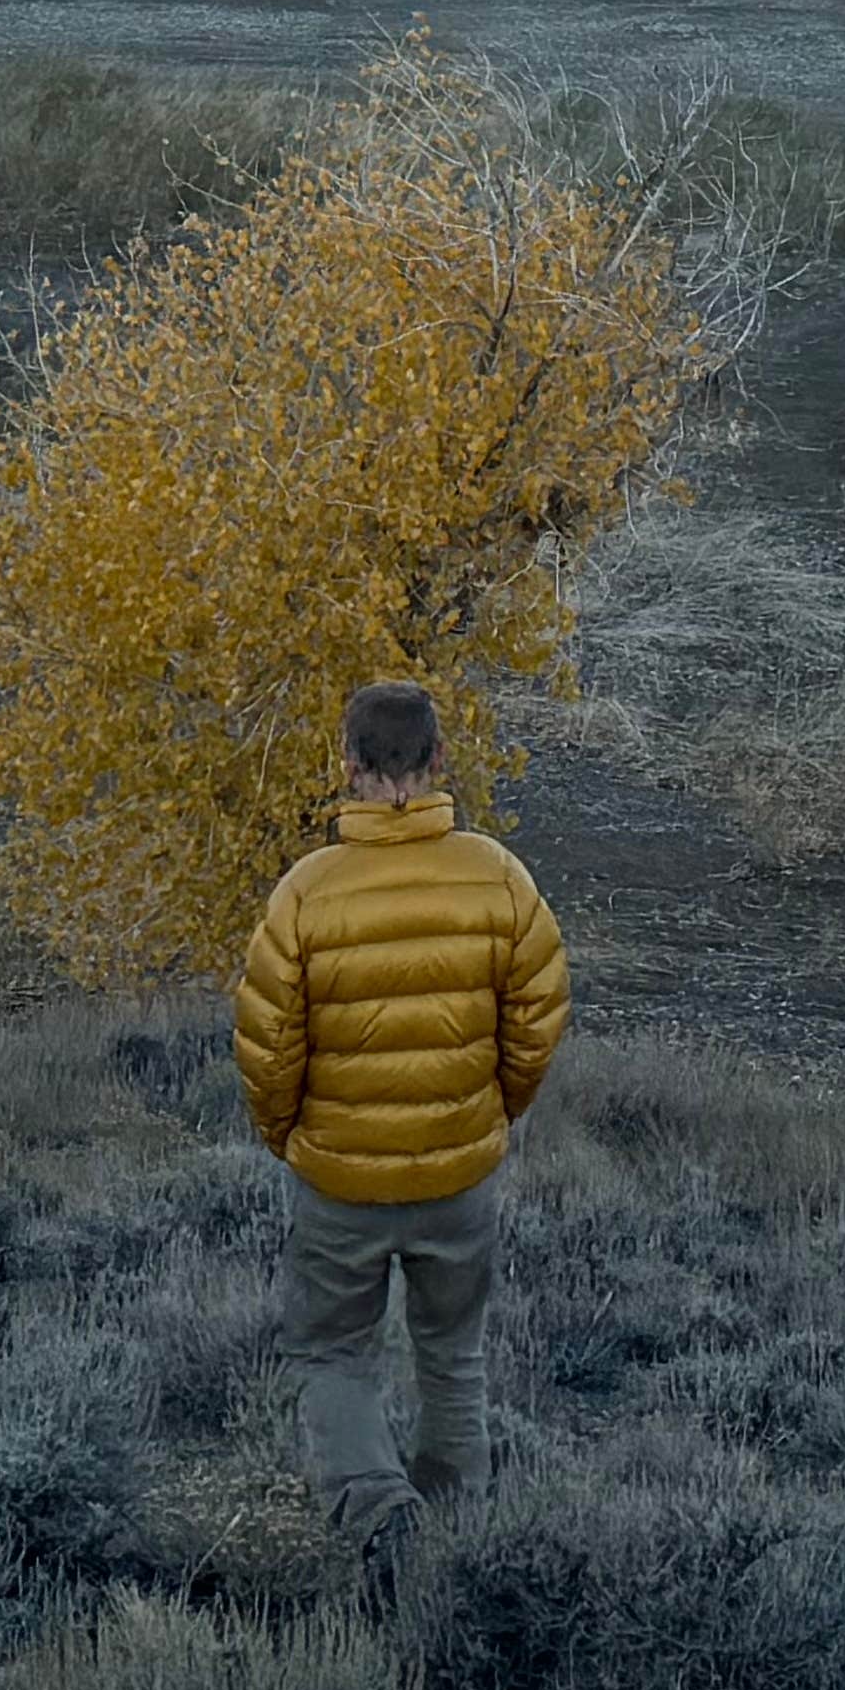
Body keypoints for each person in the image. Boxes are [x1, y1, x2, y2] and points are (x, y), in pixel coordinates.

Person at [233, 676, 568, 1598]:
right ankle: (455, 1549)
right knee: (453, 1356)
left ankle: (382, 1518)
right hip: (460, 1174)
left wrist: (291, 1138)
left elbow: (265, 1049)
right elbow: (539, 1017)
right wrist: (493, 1112)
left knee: (332, 1355)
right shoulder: (497, 877)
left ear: (347, 767)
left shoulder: (306, 894)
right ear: (437, 763)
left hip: (337, 1181)